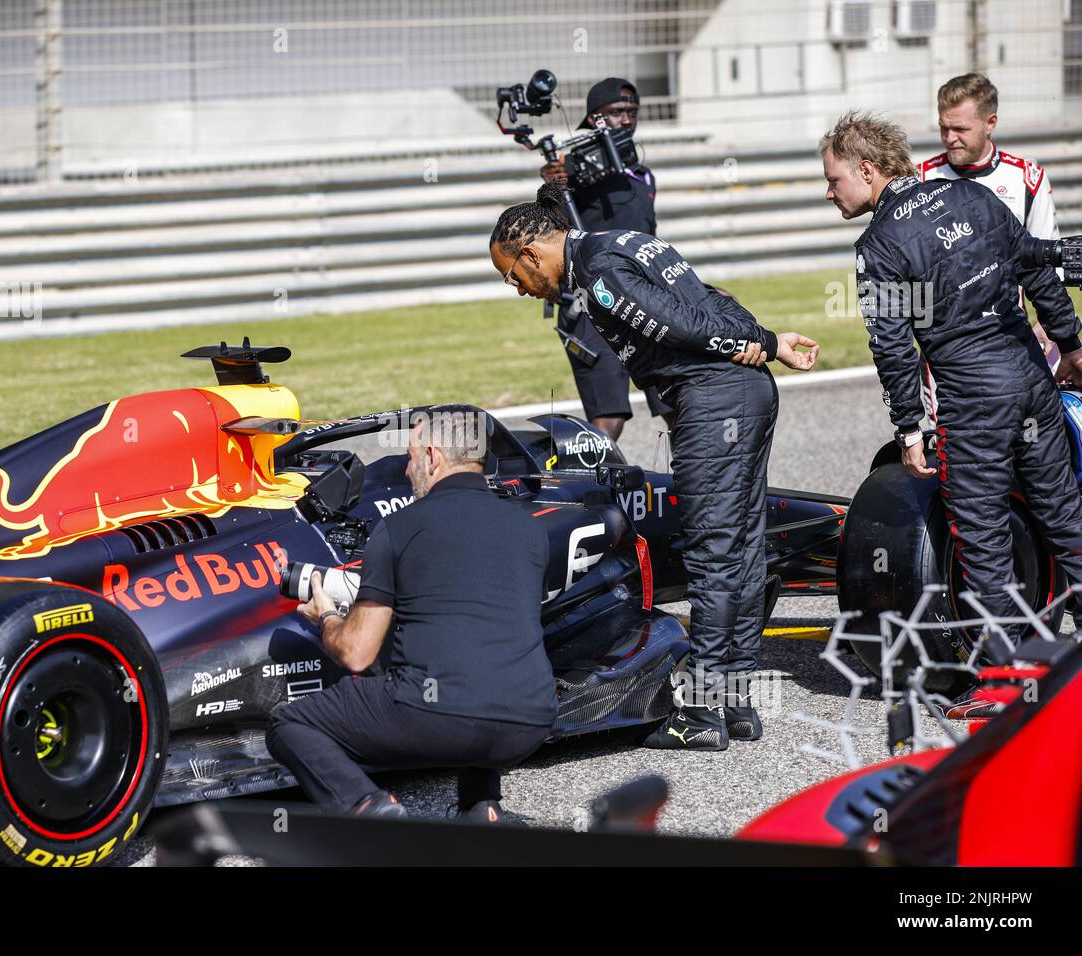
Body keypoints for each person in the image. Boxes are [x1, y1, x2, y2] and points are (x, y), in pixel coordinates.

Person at [488, 182, 819, 751]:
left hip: (714, 402)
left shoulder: (598, 272)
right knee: (740, 546)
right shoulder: (620, 243)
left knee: (715, 551)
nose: (519, 289)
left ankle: (702, 710)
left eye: (512, 275)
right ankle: (735, 702)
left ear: (530, 251)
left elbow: (678, 325)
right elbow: (708, 300)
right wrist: (758, 340)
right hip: (743, 394)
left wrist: (761, 339)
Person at [820, 111, 1082, 661]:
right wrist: (1073, 347)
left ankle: (1002, 675)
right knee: (1063, 511)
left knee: (981, 532)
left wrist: (910, 427)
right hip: (1030, 376)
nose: (828, 193)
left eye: (833, 179)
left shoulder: (880, 244)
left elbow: (892, 346)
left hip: (974, 395)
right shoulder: (971, 197)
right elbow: (1038, 273)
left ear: (867, 170)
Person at [266, 405, 555, 819]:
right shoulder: (531, 529)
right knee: (472, 660)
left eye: (412, 457)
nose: (406, 469)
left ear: (434, 457)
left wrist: (328, 616)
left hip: (437, 718)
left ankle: (369, 809)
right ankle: (482, 807)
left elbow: (356, 654)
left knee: (289, 724)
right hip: (531, 721)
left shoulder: (400, 527)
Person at [915, 73, 1066, 413]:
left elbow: (1048, 259)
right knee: (952, 447)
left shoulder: (1026, 177)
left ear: (990, 122)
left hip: (1015, 337)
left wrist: (1047, 324)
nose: (950, 139)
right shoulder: (921, 179)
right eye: (943, 128)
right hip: (945, 345)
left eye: (961, 130)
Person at [539, 77, 660, 441]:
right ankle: (588, 491)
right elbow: (551, 225)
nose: (626, 119)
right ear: (595, 118)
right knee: (608, 419)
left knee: (676, 401)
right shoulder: (572, 170)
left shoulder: (641, 174)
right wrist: (552, 183)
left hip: (644, 297)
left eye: (632, 112)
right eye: (616, 112)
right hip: (590, 304)